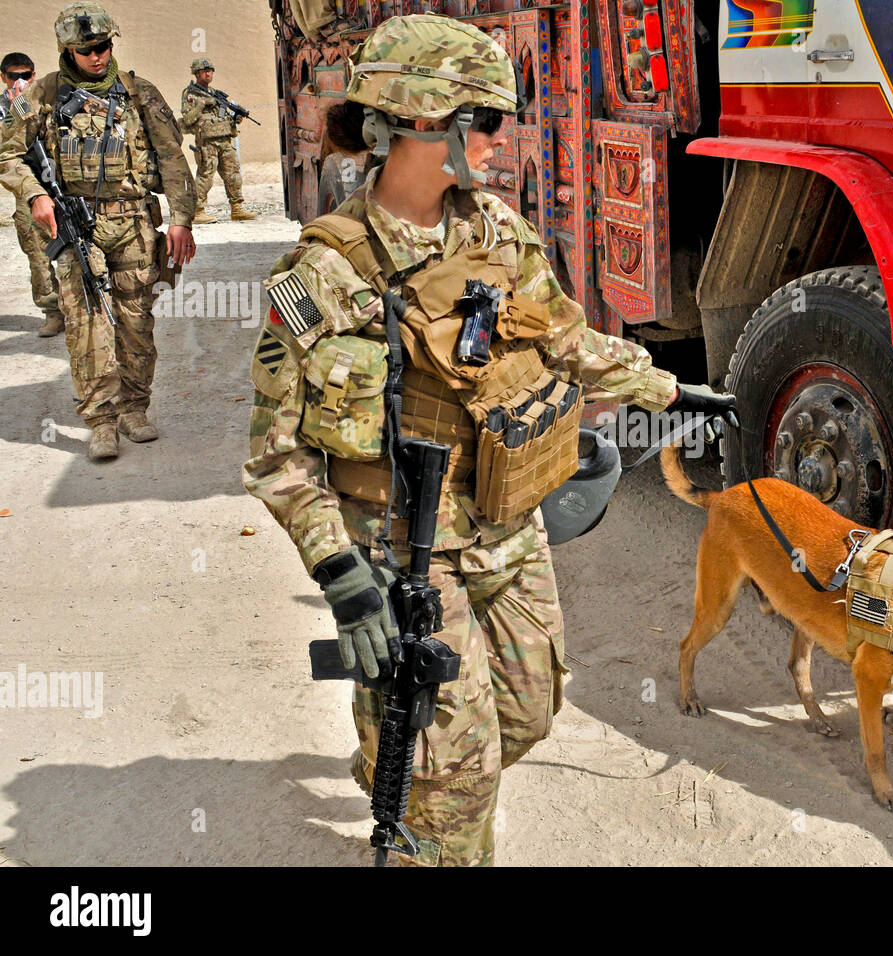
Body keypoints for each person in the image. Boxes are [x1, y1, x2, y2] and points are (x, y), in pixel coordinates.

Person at [242, 13, 735, 866]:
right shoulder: (323, 276)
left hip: (511, 527)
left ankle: (399, 749)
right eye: (474, 122)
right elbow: (276, 457)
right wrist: (340, 574)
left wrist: (670, 387)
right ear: (394, 126)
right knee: (455, 785)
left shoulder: (498, 234)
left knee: (530, 712)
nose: (494, 142)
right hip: (403, 550)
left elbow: (563, 340)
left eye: (495, 122)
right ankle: (421, 814)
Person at [0, 2, 197, 461]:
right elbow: (6, 153)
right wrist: (35, 195)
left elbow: (172, 157)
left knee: (135, 319)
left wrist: (181, 220)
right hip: (75, 223)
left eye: (103, 47)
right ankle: (102, 420)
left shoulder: (138, 91)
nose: (97, 56)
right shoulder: (42, 95)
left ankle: (134, 409)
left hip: (133, 222)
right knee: (86, 323)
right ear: (67, 50)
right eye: (86, 50)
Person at [0, 51, 63, 337]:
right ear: (3, 77)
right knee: (37, 254)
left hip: (59, 181)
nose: (20, 81)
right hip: (27, 188)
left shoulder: (45, 99)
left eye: (26, 75)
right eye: (14, 76)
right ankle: (52, 310)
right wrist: (15, 112)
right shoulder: (2, 108)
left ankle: (84, 306)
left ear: (34, 75)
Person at [179, 58, 255, 223]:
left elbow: (222, 116)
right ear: (197, 73)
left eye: (210, 70)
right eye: (204, 71)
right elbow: (188, 119)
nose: (208, 73)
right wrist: (202, 104)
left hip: (225, 141)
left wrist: (235, 119)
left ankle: (237, 208)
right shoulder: (191, 94)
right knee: (205, 176)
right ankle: (198, 211)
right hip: (207, 143)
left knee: (233, 175)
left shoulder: (216, 93)